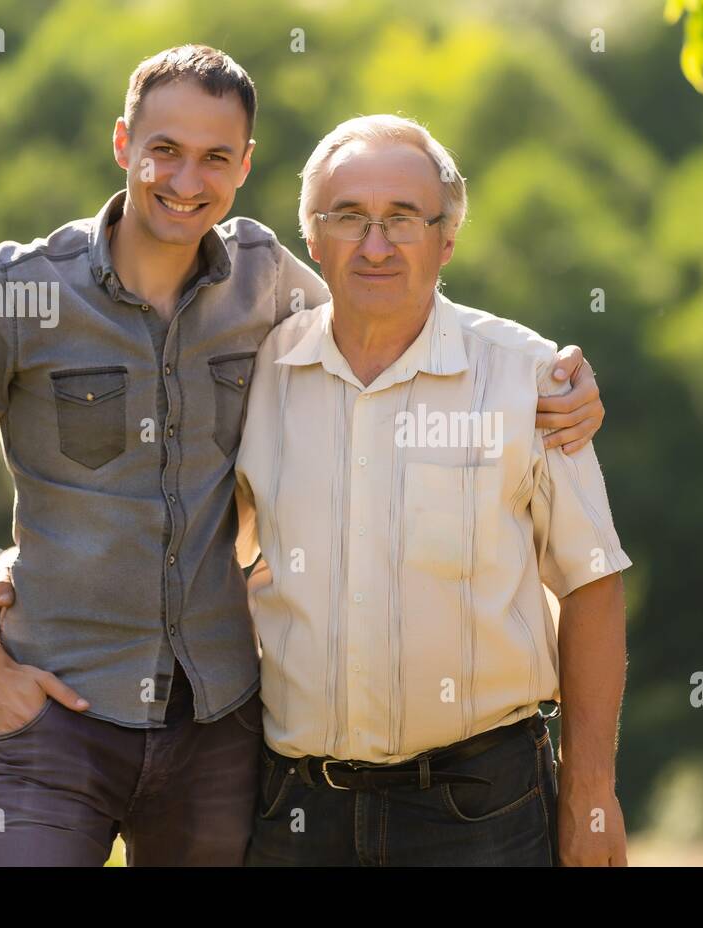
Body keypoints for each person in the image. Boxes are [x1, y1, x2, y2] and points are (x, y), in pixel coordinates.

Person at [0, 45, 605, 866]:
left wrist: (549, 378)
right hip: (58, 717)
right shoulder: (17, 293)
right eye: (165, 151)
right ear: (124, 143)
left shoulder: (264, 281)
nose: (185, 180)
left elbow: (387, 301)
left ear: (245, 167)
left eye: (214, 159)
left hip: (217, 727)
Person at [233, 115, 632, 866]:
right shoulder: (254, 376)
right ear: (312, 240)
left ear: (446, 240)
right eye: (348, 217)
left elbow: (593, 582)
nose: (375, 245)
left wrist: (590, 792)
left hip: (481, 810)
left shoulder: (530, 378)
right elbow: (186, 530)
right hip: (294, 811)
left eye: (403, 220)